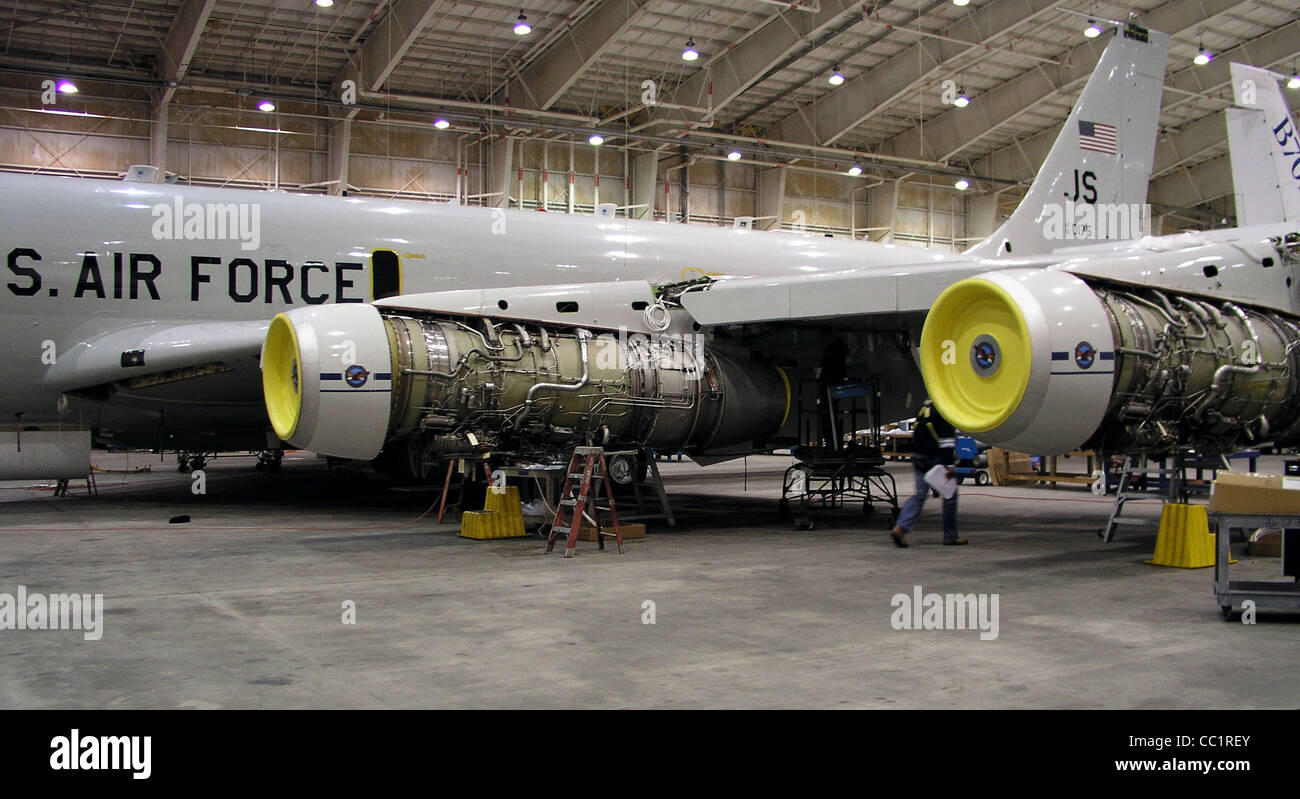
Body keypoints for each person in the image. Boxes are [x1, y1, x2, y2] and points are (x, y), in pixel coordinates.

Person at [890, 398, 967, 547]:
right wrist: (950, 465)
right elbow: (946, 442)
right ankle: (950, 536)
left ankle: (901, 527)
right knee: (950, 495)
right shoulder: (945, 411)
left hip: (919, 457)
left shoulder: (925, 406)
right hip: (935, 460)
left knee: (919, 495)